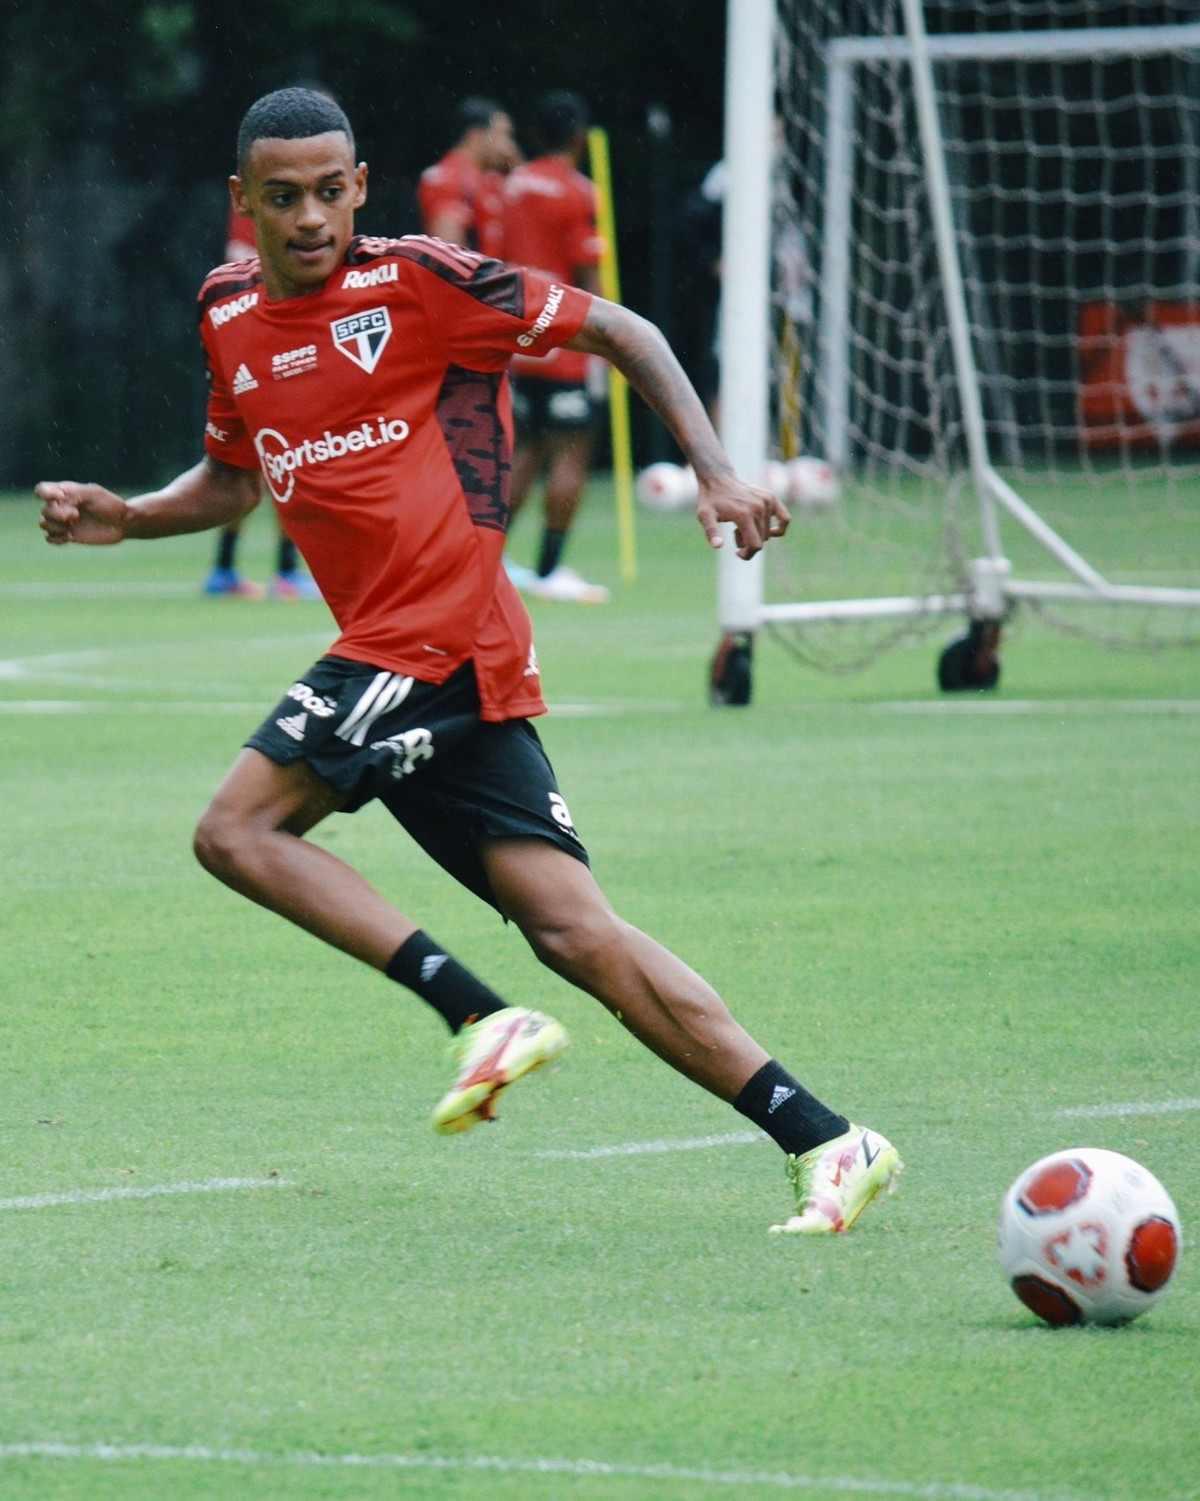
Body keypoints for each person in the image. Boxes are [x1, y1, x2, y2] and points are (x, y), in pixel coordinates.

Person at [37, 87, 901, 1234]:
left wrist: (716, 469)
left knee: (236, 830)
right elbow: (239, 477)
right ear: (241, 202)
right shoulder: (227, 313)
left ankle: (478, 1015)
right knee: (577, 933)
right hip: (430, 658)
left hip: (432, 635)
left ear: (361, 184)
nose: (310, 218)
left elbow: (622, 330)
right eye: (282, 197)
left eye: (331, 192)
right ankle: (831, 1138)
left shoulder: (422, 282)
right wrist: (131, 517)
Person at [497, 91, 609, 604]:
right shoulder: (578, 191)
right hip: (565, 338)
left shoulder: (513, 184)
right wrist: (610, 339)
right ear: (579, 136)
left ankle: (491, 558)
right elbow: (587, 271)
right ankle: (549, 568)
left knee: (526, 448)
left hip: (520, 335)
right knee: (573, 447)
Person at [203, 201, 322, 601]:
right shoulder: (274, 205)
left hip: (245, 343)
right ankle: (286, 571)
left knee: (249, 462)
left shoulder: (253, 199)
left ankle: (224, 568)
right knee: (287, 457)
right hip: (270, 343)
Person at [416, 96, 519, 258]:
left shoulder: (489, 180)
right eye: (503, 135)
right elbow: (449, 252)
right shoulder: (449, 177)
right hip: (478, 281)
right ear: (475, 135)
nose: (509, 147)